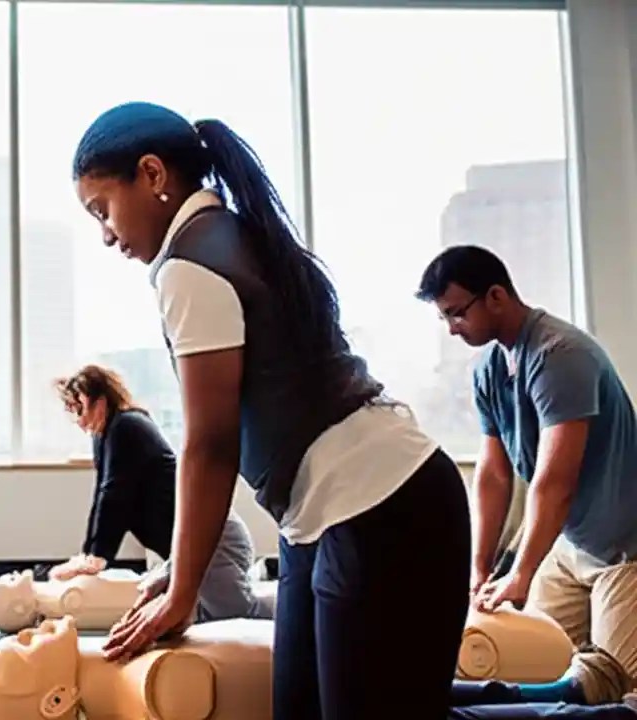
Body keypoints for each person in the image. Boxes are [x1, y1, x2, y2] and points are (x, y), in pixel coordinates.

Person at [70, 102, 470, 720]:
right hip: (340, 514)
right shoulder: (234, 234)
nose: (105, 233)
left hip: (381, 509)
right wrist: (182, 569)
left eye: (102, 210)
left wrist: (183, 594)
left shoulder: (187, 266)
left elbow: (211, 443)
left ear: (152, 175)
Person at [416, 245, 637, 705]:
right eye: (445, 319)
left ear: (495, 296)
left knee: (619, 694)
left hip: (623, 548)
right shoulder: (491, 369)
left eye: (458, 314)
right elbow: (494, 475)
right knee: (539, 662)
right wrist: (479, 567)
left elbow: (555, 481)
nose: (454, 329)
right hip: (571, 542)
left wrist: (521, 572)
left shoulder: (561, 355)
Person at [48, 364, 269, 622]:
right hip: (189, 548)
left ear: (97, 401)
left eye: (79, 409)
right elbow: (102, 496)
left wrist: (97, 557)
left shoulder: (127, 426)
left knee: (237, 613)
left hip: (213, 540)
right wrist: (88, 554)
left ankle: (302, 610)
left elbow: (114, 494)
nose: (78, 420)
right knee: (188, 612)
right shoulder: (107, 435)